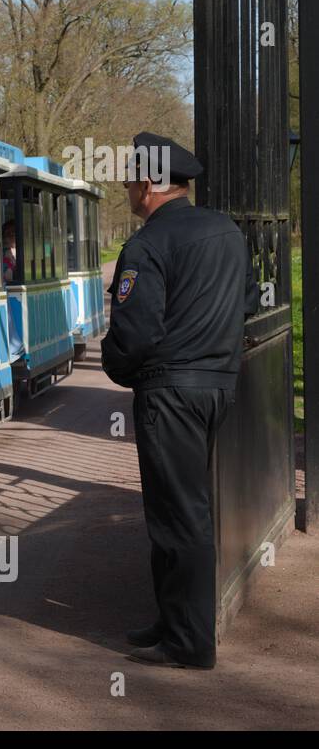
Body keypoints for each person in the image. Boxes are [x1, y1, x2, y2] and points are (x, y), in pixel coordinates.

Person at [101, 131, 259, 670]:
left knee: (177, 514)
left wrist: (114, 363)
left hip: (170, 391)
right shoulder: (226, 231)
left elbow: (135, 332)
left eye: (129, 178)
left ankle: (190, 644)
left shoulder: (146, 245)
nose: (126, 187)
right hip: (215, 384)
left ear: (149, 183)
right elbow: (245, 300)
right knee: (178, 507)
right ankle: (172, 622)